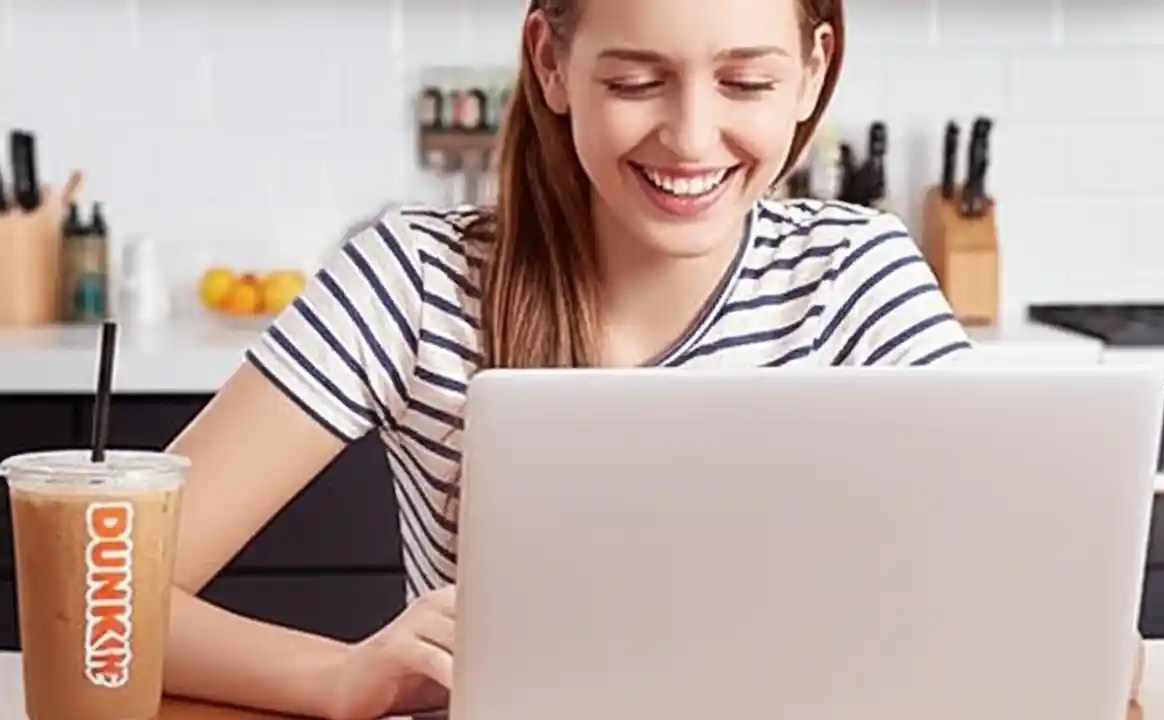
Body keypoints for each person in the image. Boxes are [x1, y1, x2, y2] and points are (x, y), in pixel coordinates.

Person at [157, 0, 1062, 717]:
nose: (692, 137)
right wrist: (338, 676)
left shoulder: (856, 274)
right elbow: (93, 603)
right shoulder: (414, 280)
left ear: (813, 69)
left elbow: (1045, 614)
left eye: (746, 82)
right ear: (552, 64)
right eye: (636, 81)